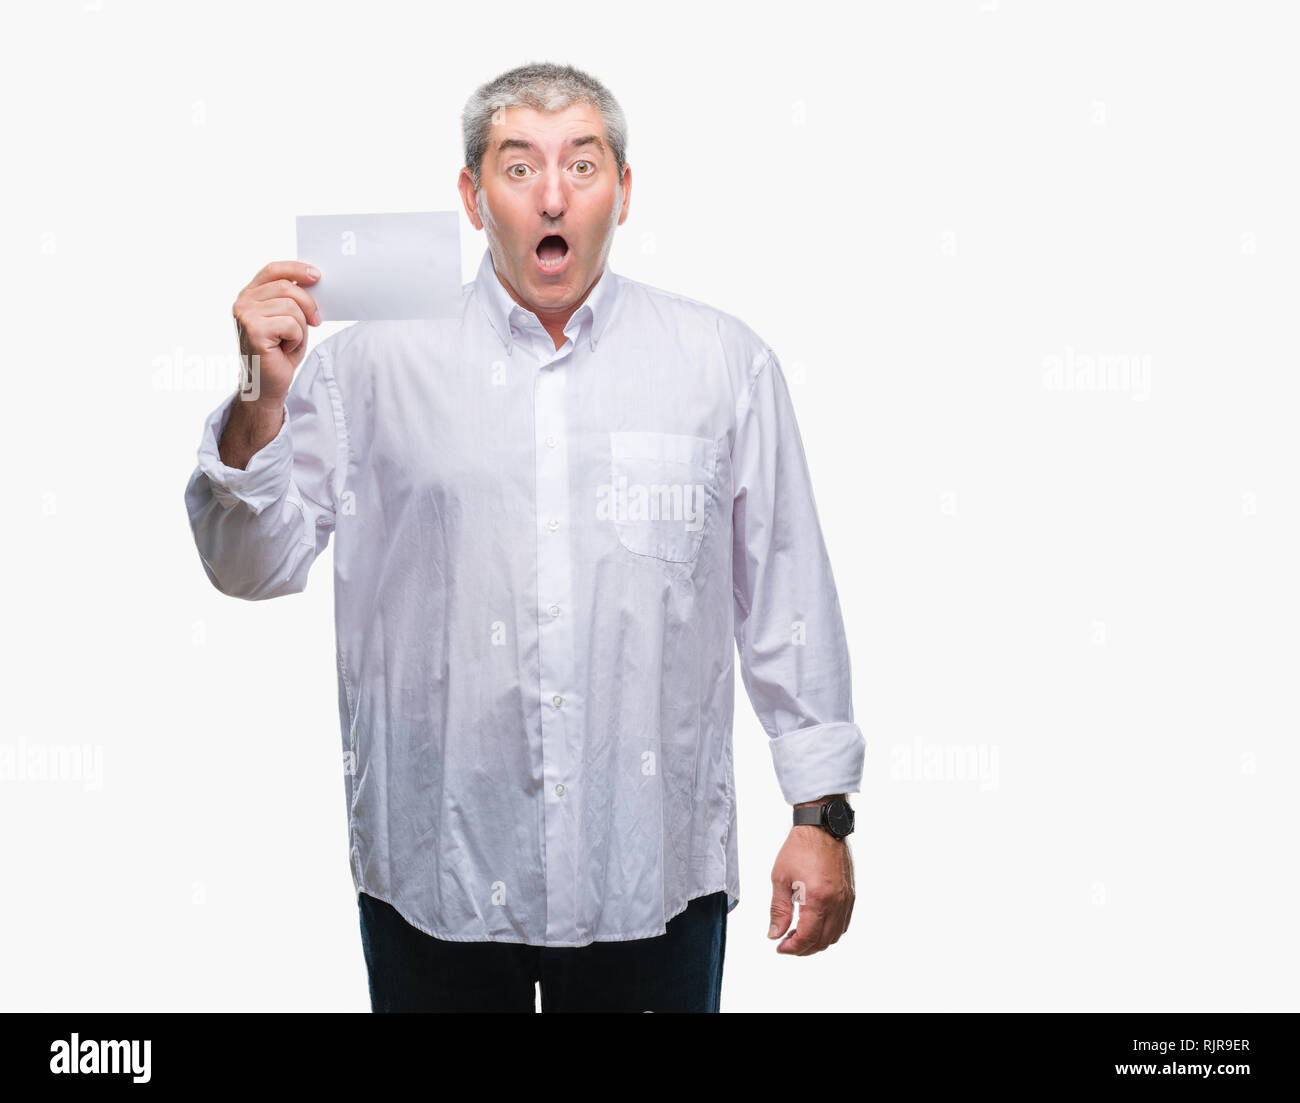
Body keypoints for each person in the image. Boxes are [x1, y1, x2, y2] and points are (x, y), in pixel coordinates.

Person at [184, 61, 864, 1013]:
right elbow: (249, 566)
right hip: (437, 878)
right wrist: (257, 390)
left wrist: (821, 813)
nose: (552, 194)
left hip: (650, 878)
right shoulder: (370, 363)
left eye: (583, 165)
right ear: (472, 196)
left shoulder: (722, 364)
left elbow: (787, 597)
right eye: (518, 166)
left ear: (624, 191)